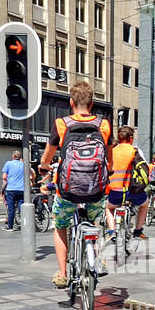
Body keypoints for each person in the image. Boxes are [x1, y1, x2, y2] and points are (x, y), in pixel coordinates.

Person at [38, 80, 112, 289]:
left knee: (60, 225)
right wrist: (111, 169)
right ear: (92, 103)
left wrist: (44, 166)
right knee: (96, 222)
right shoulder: (104, 124)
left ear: (71, 102)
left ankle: (62, 274)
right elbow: (110, 154)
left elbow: (49, 153)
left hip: (67, 191)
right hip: (96, 190)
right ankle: (97, 258)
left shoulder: (62, 124)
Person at [105, 126, 149, 241]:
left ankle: (112, 231)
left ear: (119, 138)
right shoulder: (136, 151)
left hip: (115, 191)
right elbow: (145, 168)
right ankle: (138, 231)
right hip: (133, 190)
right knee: (145, 204)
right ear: (131, 138)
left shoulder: (112, 151)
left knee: (109, 208)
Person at [1, 150, 28, 230]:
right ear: (20, 157)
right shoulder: (24, 164)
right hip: (22, 189)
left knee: (11, 208)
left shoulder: (8, 163)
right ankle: (24, 223)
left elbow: (4, 177)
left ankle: (10, 226)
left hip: (11, 188)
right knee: (21, 207)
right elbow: (32, 175)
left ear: (13, 157)